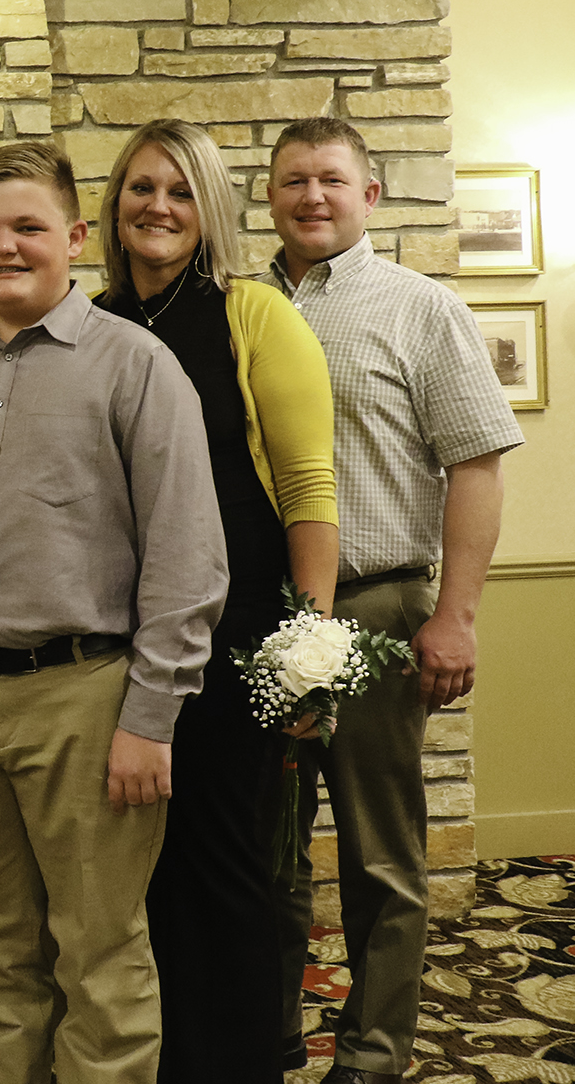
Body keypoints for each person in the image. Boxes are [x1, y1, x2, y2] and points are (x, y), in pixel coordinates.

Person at [0, 141, 229, 1084]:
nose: (5, 247)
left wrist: (150, 719)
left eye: (28, 227)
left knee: (100, 958)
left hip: (90, 701)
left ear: (73, 236)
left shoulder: (135, 366)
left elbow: (189, 559)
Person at [263, 117, 524, 1084]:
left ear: (370, 196)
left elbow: (478, 463)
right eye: (293, 179)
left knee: (378, 854)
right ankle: (268, 1030)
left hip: (376, 611)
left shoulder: (420, 308)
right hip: (260, 624)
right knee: (267, 850)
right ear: (270, 196)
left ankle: (372, 1054)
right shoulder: (241, 307)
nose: (312, 196)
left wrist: (453, 615)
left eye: (332, 178)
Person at [93, 119, 340, 1083]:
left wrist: (306, 646)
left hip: (237, 643)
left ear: (212, 213)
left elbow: (310, 488)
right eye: (142, 188)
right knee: (137, 882)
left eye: (181, 192)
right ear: (113, 206)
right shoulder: (94, 320)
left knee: (228, 872)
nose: (158, 208)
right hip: (121, 645)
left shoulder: (254, 316)